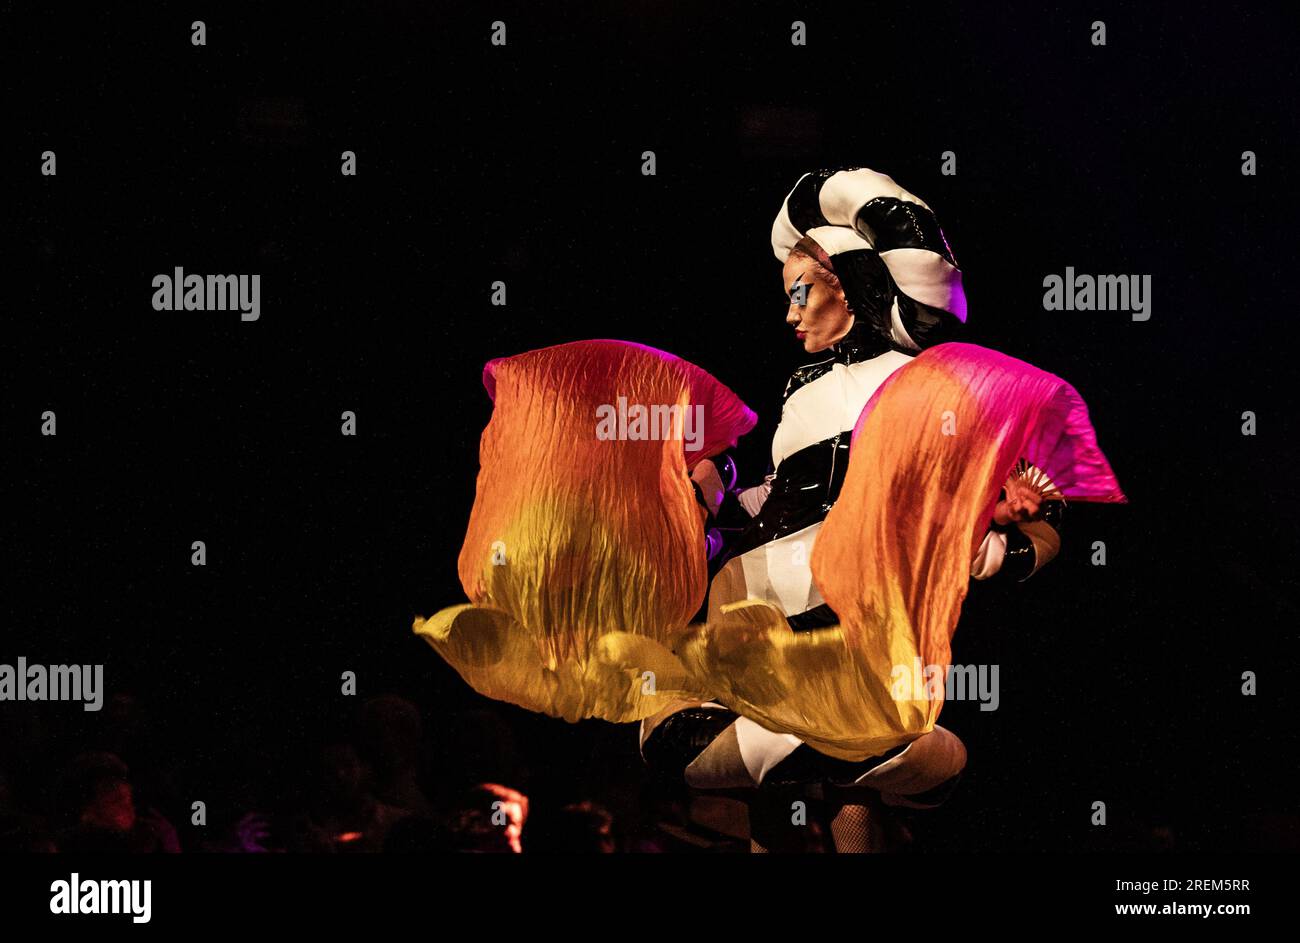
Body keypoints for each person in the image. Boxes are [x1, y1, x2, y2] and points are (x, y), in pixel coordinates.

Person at [639, 167, 1078, 851]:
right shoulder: (804, 384)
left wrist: (996, 531)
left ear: (846, 285)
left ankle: (863, 753)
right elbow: (783, 494)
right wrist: (702, 499)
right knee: (673, 738)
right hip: (758, 610)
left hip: (849, 612)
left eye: (800, 293)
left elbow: (1034, 500)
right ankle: (848, 752)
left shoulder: (924, 373)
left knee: (886, 778)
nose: (788, 314)